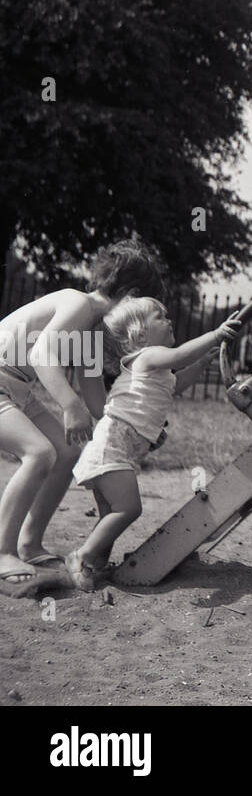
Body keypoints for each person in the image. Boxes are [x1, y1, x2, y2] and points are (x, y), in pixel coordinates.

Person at [0, 238, 164, 597]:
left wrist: (132, 423)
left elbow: (95, 398)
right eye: (146, 308)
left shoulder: (89, 331)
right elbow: (43, 354)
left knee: (67, 451)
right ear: (130, 294)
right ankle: (3, 552)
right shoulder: (78, 303)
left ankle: (29, 544)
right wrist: (68, 405)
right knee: (40, 452)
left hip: (16, 388)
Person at [65, 298, 239, 589]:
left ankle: (95, 566)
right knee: (129, 509)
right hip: (112, 449)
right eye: (160, 317)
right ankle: (81, 557)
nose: (169, 321)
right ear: (141, 336)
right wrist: (216, 334)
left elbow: (178, 382)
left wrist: (202, 363)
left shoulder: (158, 372)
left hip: (116, 452)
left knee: (111, 513)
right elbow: (180, 355)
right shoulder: (146, 356)